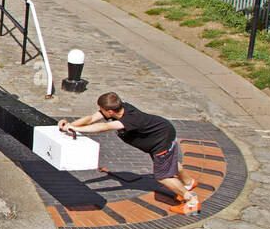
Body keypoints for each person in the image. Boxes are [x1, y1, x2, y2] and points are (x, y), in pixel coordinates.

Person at [59, 91, 201, 213]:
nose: (100, 112)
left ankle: (191, 201)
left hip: (161, 141)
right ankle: (189, 182)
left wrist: (77, 129)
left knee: (163, 176)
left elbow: (104, 126)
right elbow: (91, 118)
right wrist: (70, 125)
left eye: (101, 110)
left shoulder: (130, 120)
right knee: (168, 162)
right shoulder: (119, 109)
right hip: (162, 132)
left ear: (110, 111)